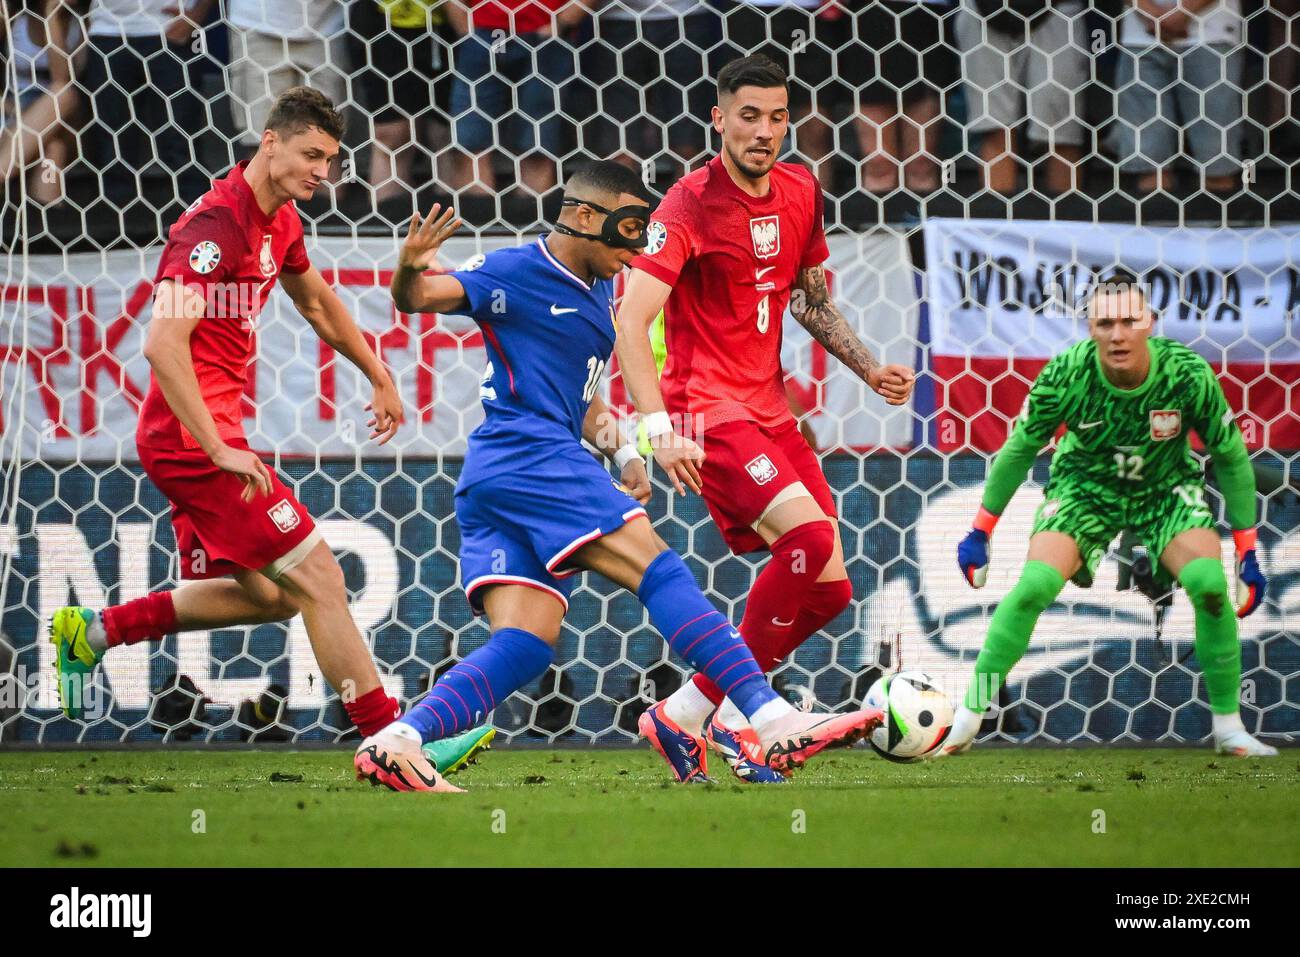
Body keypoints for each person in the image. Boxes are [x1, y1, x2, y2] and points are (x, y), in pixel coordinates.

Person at [354, 160, 884, 792]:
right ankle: (769, 719)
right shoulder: (517, 271)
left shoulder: (602, 292)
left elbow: (583, 400)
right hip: (534, 458)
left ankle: (398, 739)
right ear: (583, 217)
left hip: (500, 476)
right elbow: (418, 298)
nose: (637, 248)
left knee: (524, 642)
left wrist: (624, 455)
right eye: (629, 230)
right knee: (659, 570)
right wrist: (411, 265)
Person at [46, 88, 488, 766]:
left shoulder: (277, 222)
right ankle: (395, 742)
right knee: (321, 575)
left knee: (276, 596)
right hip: (194, 443)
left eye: (332, 160)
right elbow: (163, 345)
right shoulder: (212, 228)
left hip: (207, 439)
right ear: (270, 142)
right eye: (312, 154)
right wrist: (219, 446)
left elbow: (315, 302)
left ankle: (92, 632)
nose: (322, 171)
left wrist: (379, 371)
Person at [613, 54, 916, 784]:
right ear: (719, 118)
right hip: (706, 410)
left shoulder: (800, 189)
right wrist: (656, 431)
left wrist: (868, 366)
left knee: (832, 585)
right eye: (749, 115)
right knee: (808, 538)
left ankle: (686, 713)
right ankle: (759, 723)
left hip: (770, 406)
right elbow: (631, 319)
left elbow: (808, 298)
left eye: (777, 117)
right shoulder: (686, 205)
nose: (765, 131)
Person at [943, 272, 1275, 758]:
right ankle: (967, 719)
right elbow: (1019, 450)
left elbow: (1229, 456)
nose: (1117, 334)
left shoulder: (1187, 374)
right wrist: (980, 530)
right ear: (1089, 328)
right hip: (1084, 488)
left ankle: (1230, 730)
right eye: (1104, 323)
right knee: (1033, 587)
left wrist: (1247, 550)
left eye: (1127, 321)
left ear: (1150, 323)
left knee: (1208, 584)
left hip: (1166, 489)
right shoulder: (1065, 374)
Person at [1110, 0, 1245, 197]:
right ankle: (1153, 225)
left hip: (1213, 33)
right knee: (1149, 166)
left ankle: (1216, 225)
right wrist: (1150, 13)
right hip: (1140, 37)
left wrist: (1180, 13)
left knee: (1216, 162)